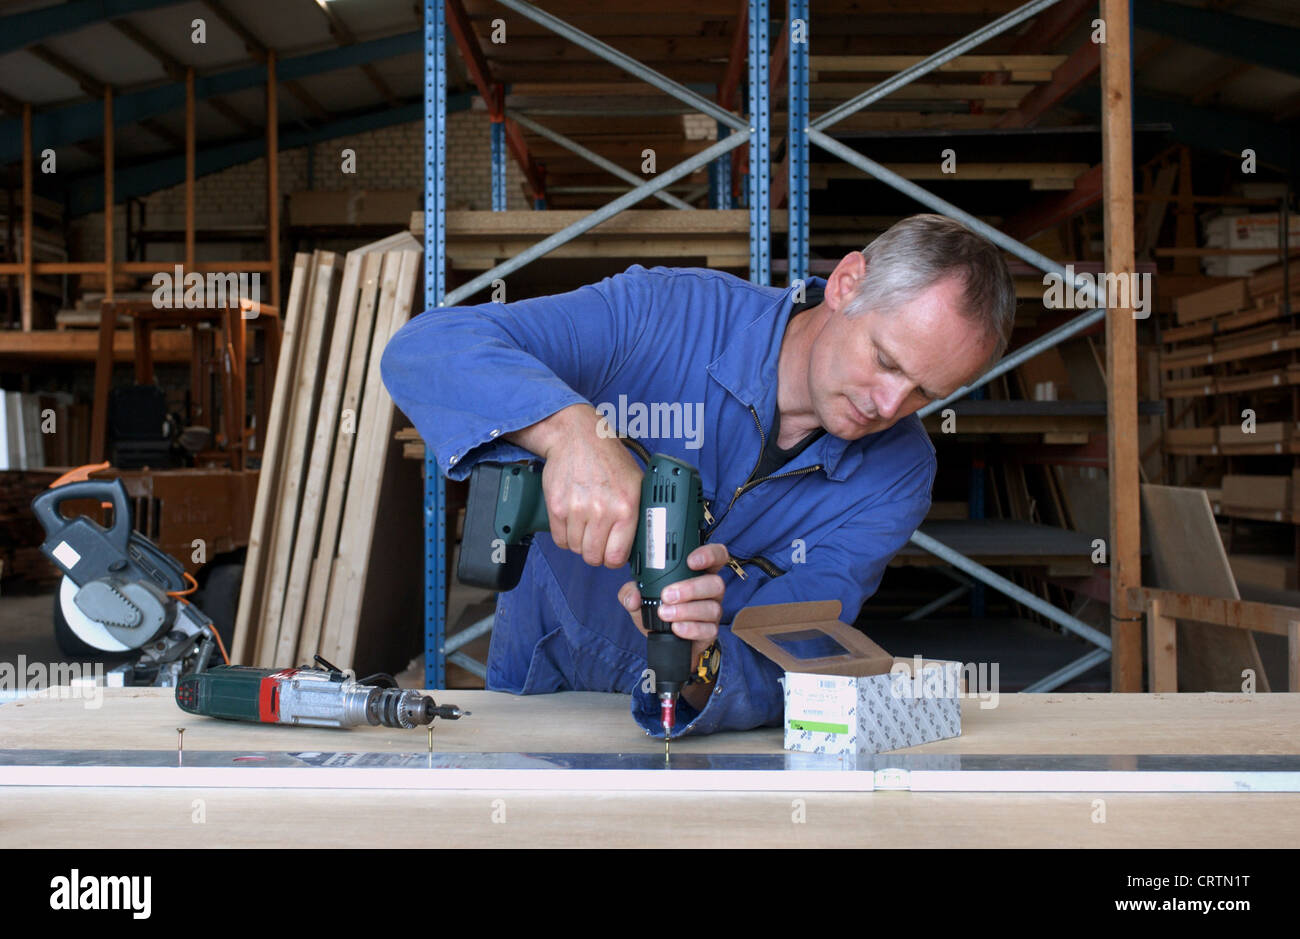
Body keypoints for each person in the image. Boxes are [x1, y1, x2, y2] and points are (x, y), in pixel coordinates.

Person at [380, 212, 1015, 737]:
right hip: (541, 700)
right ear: (848, 282)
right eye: (885, 361)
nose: (888, 405)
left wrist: (699, 663)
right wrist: (572, 433)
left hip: (705, 738)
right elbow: (427, 347)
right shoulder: (665, 315)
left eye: (922, 395)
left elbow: (792, 654)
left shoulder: (897, 475)